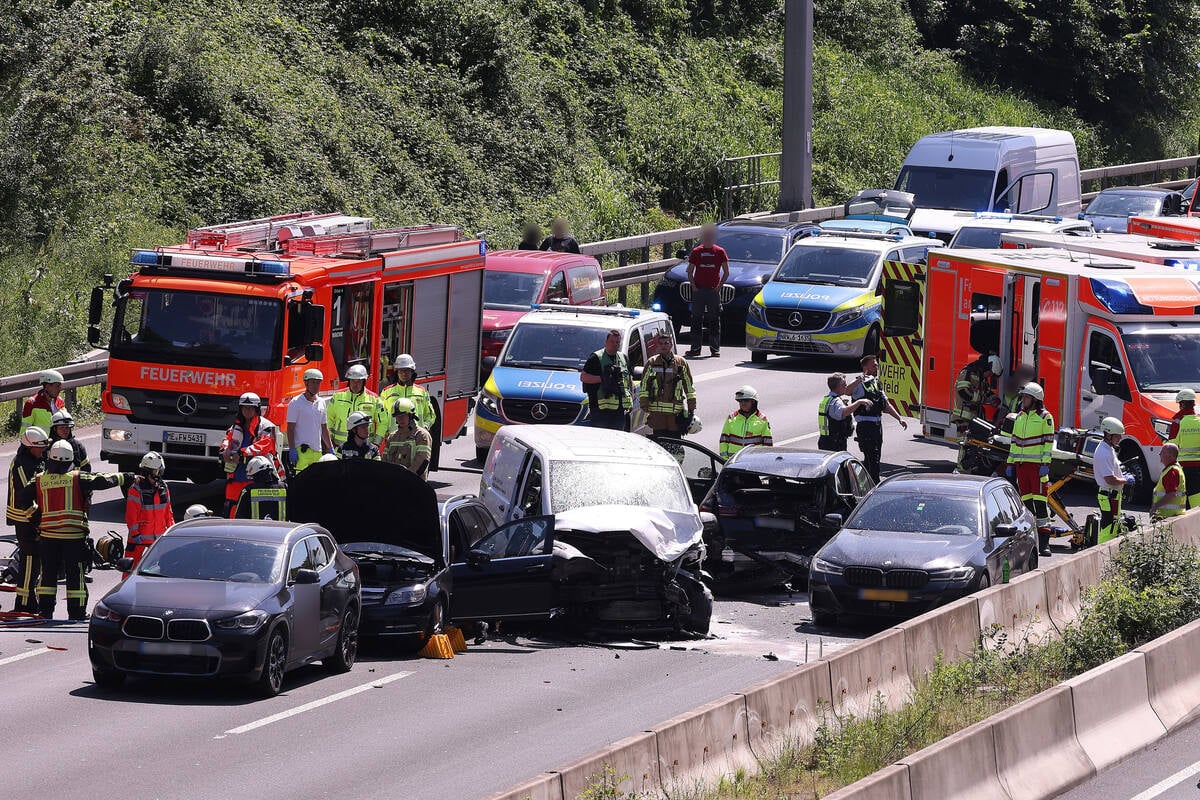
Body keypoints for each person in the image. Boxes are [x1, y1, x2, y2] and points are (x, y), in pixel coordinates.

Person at [34, 440, 128, 619]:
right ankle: (76, 613)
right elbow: (103, 480)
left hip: (48, 536)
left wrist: (35, 519)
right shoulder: (78, 477)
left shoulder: (39, 479)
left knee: (47, 574)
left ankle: (45, 611)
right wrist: (127, 476)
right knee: (75, 575)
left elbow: (22, 498)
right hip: (74, 536)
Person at [1006, 382, 1055, 557]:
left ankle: (1044, 545)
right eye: (1023, 396)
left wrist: (1045, 464)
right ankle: (1029, 542)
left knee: (1041, 507)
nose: (1023, 399)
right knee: (1026, 507)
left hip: (1037, 469)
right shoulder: (1019, 417)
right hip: (1021, 467)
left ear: (1035, 399)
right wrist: (1010, 463)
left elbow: (1048, 442)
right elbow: (1014, 442)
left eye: (1026, 397)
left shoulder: (1045, 417)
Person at [6, 427, 49, 614]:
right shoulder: (22, 464)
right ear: (29, 446)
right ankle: (24, 601)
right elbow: (25, 495)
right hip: (24, 518)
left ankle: (28, 598)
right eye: (39, 447)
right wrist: (36, 519)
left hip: (32, 516)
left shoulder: (36, 459)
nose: (43, 451)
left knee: (34, 559)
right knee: (29, 559)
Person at [219, 392, 281, 518]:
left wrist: (242, 454)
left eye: (250, 407)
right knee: (231, 509)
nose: (247, 410)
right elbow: (227, 440)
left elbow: (264, 445)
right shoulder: (236, 426)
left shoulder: (266, 426)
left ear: (256, 409)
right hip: (236, 476)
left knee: (253, 512)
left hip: (257, 477)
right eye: (244, 407)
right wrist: (224, 451)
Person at [849, 354, 908, 481]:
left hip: (877, 426)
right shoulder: (859, 383)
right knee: (872, 459)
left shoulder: (876, 383)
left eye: (876, 365)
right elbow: (847, 391)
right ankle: (872, 485)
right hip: (865, 426)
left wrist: (899, 418)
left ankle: (866, 483)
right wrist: (858, 380)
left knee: (876, 458)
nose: (876, 367)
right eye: (874, 365)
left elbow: (885, 405)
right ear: (865, 367)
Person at [639, 333, 697, 440]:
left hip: (675, 416)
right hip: (657, 416)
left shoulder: (680, 363)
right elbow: (644, 385)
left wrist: (691, 408)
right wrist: (644, 403)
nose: (663, 346)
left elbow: (689, 387)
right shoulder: (652, 363)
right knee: (659, 445)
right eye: (661, 343)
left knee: (675, 445)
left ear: (671, 345)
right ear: (657, 345)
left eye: (666, 343)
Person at [123, 452, 174, 575]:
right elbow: (131, 515)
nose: (159, 474)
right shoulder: (136, 490)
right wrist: (135, 535)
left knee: (163, 571)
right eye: (157, 471)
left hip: (158, 539)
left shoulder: (163, 488)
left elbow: (168, 513)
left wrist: (172, 531)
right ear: (148, 472)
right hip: (138, 540)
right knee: (129, 570)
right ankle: (127, 593)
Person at [685, 223, 729, 358]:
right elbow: (690, 271)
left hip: (713, 291)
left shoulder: (720, 251)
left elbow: (726, 272)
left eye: (710, 236)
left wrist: (719, 286)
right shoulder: (697, 251)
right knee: (696, 319)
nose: (708, 238)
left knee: (714, 320)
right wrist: (693, 286)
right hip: (699, 290)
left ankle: (715, 349)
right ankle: (695, 348)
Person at [581, 329, 632, 431]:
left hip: (619, 410)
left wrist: (631, 401)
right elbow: (583, 377)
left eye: (617, 342)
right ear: (606, 342)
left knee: (617, 439)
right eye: (612, 342)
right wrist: (603, 379)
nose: (614, 344)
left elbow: (629, 380)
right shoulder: (596, 357)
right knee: (600, 440)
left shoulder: (623, 358)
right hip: (600, 409)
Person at [326, 364, 385, 448]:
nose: (355, 384)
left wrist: (376, 444)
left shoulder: (374, 399)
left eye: (358, 381)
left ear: (364, 381)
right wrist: (330, 442)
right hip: (340, 448)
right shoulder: (337, 396)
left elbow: (382, 423)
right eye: (353, 381)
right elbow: (328, 419)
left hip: (365, 448)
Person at [287, 368, 333, 474]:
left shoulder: (321, 402)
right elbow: (290, 428)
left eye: (318, 382)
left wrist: (330, 448)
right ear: (306, 383)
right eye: (313, 382)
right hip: (301, 451)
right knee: (301, 482)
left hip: (317, 451)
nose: (316, 385)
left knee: (317, 483)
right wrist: (292, 449)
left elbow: (324, 428)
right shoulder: (295, 403)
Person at [1093, 416, 1130, 545]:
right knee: (1108, 526)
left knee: (1112, 524)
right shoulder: (1104, 452)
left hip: (1111, 495)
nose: (1120, 438)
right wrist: (1125, 480)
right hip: (1108, 495)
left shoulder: (1108, 449)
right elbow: (1110, 479)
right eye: (1117, 436)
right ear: (1108, 434)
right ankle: (1103, 551)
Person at [381, 354, 436, 433]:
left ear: (412, 371)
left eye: (407, 370)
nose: (404, 374)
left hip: (416, 437)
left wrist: (425, 428)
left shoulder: (422, 392)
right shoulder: (386, 392)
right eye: (401, 370)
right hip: (394, 438)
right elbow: (381, 416)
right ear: (397, 372)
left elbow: (430, 415)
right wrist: (386, 433)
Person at [818, 373, 871, 452]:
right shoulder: (836, 401)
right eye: (844, 385)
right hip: (835, 443)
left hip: (825, 440)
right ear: (838, 386)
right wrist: (859, 402)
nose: (846, 387)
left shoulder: (826, 399)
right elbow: (843, 412)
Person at [382, 398, 432, 479]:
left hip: (414, 483)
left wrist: (407, 477)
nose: (400, 419)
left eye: (403, 415)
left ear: (411, 415)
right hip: (393, 482)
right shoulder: (392, 437)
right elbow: (384, 461)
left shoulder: (422, 435)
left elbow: (422, 461)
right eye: (397, 416)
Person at [719, 385, 773, 458]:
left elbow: (768, 444)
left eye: (746, 401)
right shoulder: (731, 418)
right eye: (740, 401)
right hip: (733, 463)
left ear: (753, 402)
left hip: (753, 463)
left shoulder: (762, 419)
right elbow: (724, 441)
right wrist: (724, 460)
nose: (743, 403)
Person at [1168, 388, 1200, 509]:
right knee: (1197, 497)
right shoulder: (1199, 421)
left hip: (1183, 466)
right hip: (1198, 466)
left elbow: (1172, 446)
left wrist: (1164, 441)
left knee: (1183, 498)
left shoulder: (1178, 421)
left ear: (1181, 404)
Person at [21, 369, 65, 434]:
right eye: (57, 386)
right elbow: (25, 430)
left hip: (59, 441)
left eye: (60, 386)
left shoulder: (60, 401)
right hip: (41, 443)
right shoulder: (32, 403)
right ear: (47, 387)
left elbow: (65, 423)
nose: (60, 389)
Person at [1151, 443, 1187, 520]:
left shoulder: (1172, 471)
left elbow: (1171, 494)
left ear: (1170, 456)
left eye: (1162, 452)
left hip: (1167, 517)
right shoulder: (1174, 468)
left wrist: (1155, 506)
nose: (1159, 454)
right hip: (1172, 515)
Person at [48, 408, 90, 472]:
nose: (65, 431)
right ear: (54, 429)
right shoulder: (47, 448)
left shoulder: (77, 446)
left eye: (67, 427)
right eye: (61, 428)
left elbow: (87, 469)